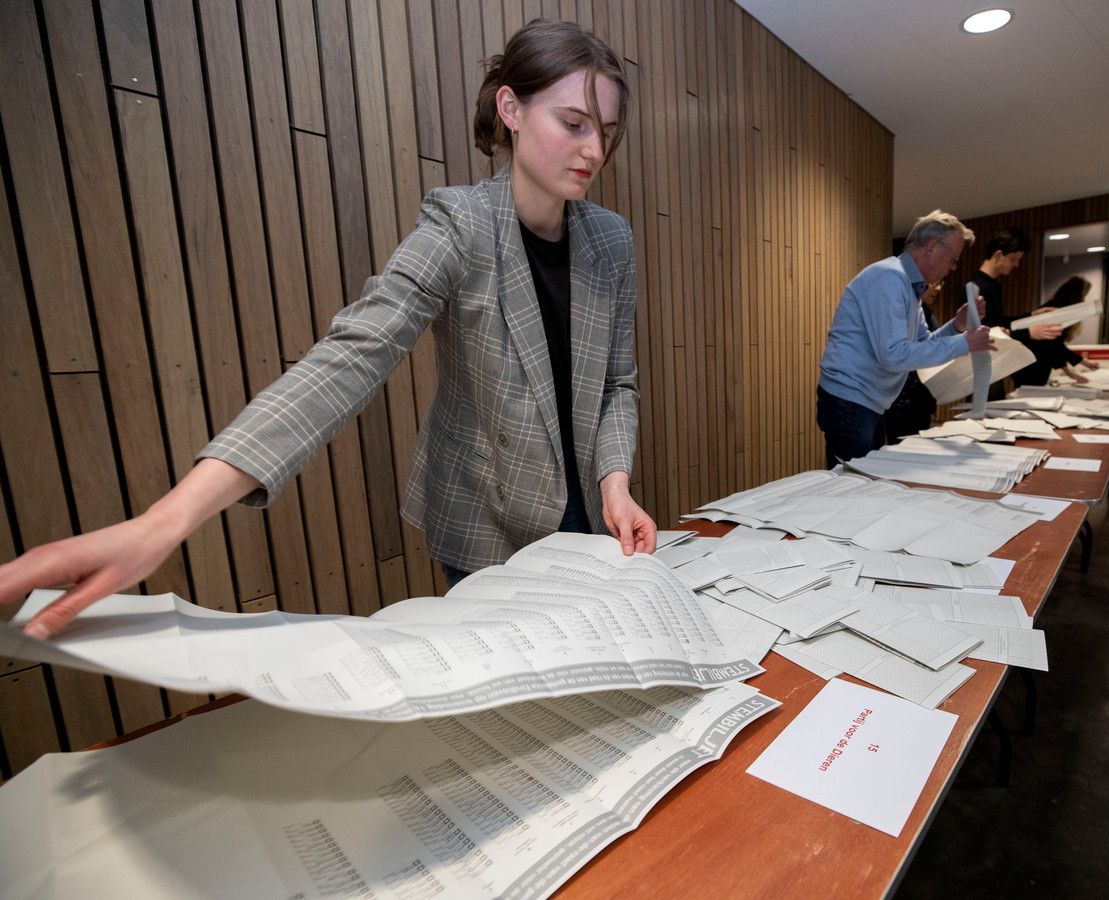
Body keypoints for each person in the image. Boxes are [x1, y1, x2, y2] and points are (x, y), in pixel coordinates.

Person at [0, 20, 656, 639]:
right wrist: (163, 523)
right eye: (572, 123)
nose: (594, 150)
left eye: (607, 132)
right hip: (487, 517)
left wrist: (614, 484)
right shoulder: (460, 225)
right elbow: (350, 358)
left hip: (590, 508)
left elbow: (614, 386)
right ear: (511, 110)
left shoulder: (610, 240)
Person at [817, 209, 994, 468]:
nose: (953, 267)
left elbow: (922, 345)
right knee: (851, 487)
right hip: (851, 399)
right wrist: (964, 343)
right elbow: (894, 355)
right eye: (953, 258)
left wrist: (956, 326)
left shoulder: (909, 287)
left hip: (866, 400)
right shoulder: (889, 277)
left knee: (863, 482)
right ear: (932, 247)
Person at [970, 226, 1063, 398]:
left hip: (993, 366)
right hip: (982, 368)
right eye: (1014, 259)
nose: (1016, 265)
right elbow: (985, 334)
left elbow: (998, 322)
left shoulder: (991, 284)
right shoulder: (978, 287)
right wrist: (1029, 333)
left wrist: (1031, 317)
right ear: (998, 255)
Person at [1011, 275, 1101, 387]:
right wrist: (1079, 363)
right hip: (1031, 365)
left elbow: (1054, 345)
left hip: (1031, 363)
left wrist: (1070, 369)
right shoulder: (1056, 309)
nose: (1083, 300)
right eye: (1083, 295)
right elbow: (1053, 345)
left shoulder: (1056, 306)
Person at [883, 283, 941, 441]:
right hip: (903, 403)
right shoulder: (904, 315)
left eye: (941, 283)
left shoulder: (929, 315)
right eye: (933, 282)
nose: (937, 288)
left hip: (923, 401)